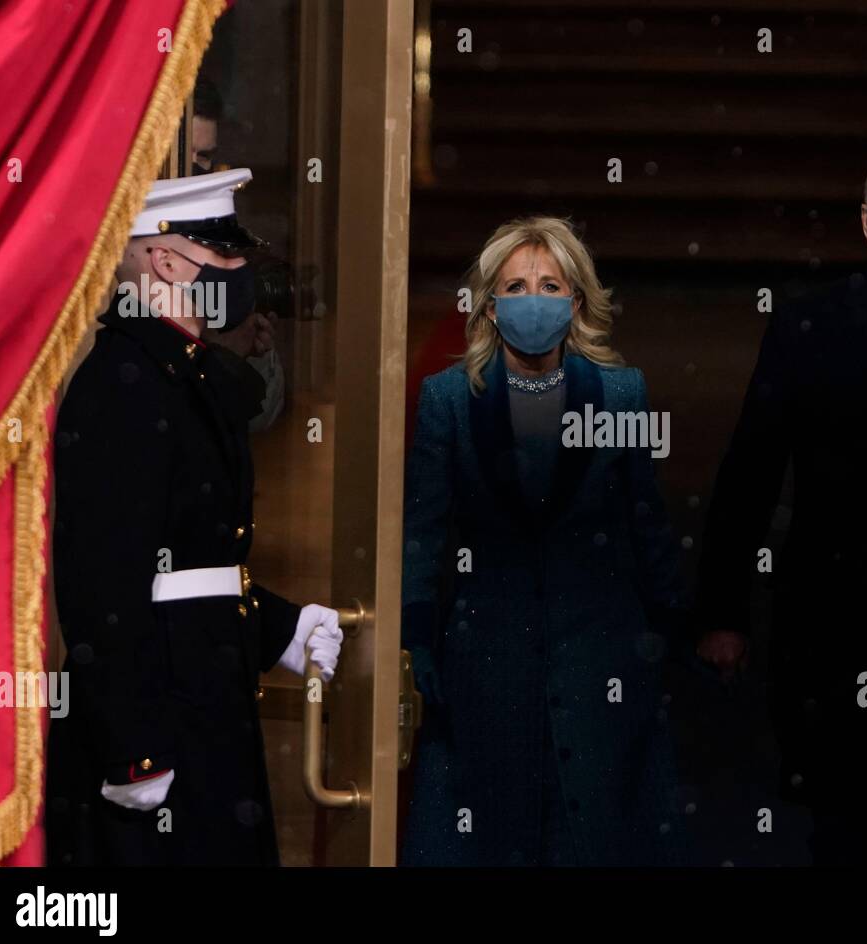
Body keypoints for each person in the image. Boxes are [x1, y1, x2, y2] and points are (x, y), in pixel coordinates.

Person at [46, 169, 344, 866]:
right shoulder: (124, 381)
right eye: (225, 257)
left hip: (204, 700)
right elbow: (103, 579)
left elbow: (194, 560)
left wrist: (280, 628)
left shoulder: (186, 372)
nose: (240, 273)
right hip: (160, 722)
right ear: (168, 260)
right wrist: (135, 749)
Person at [400, 216, 687, 866]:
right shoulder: (447, 400)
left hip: (599, 663)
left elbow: (646, 526)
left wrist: (676, 632)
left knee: (591, 840)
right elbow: (422, 537)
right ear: (492, 306)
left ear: (577, 302)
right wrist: (415, 643)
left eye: (550, 284)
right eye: (517, 286)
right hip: (484, 667)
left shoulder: (621, 396)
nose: (534, 299)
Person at [695, 143, 867, 865]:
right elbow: (751, 471)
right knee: (842, 831)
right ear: (866, 225)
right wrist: (721, 613)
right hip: (832, 629)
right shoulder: (809, 323)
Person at [191, 74, 285, 432]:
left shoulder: (219, 233)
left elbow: (259, 419)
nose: (196, 173)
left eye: (206, 157)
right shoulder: (118, 246)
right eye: (186, 156)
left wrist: (252, 355)